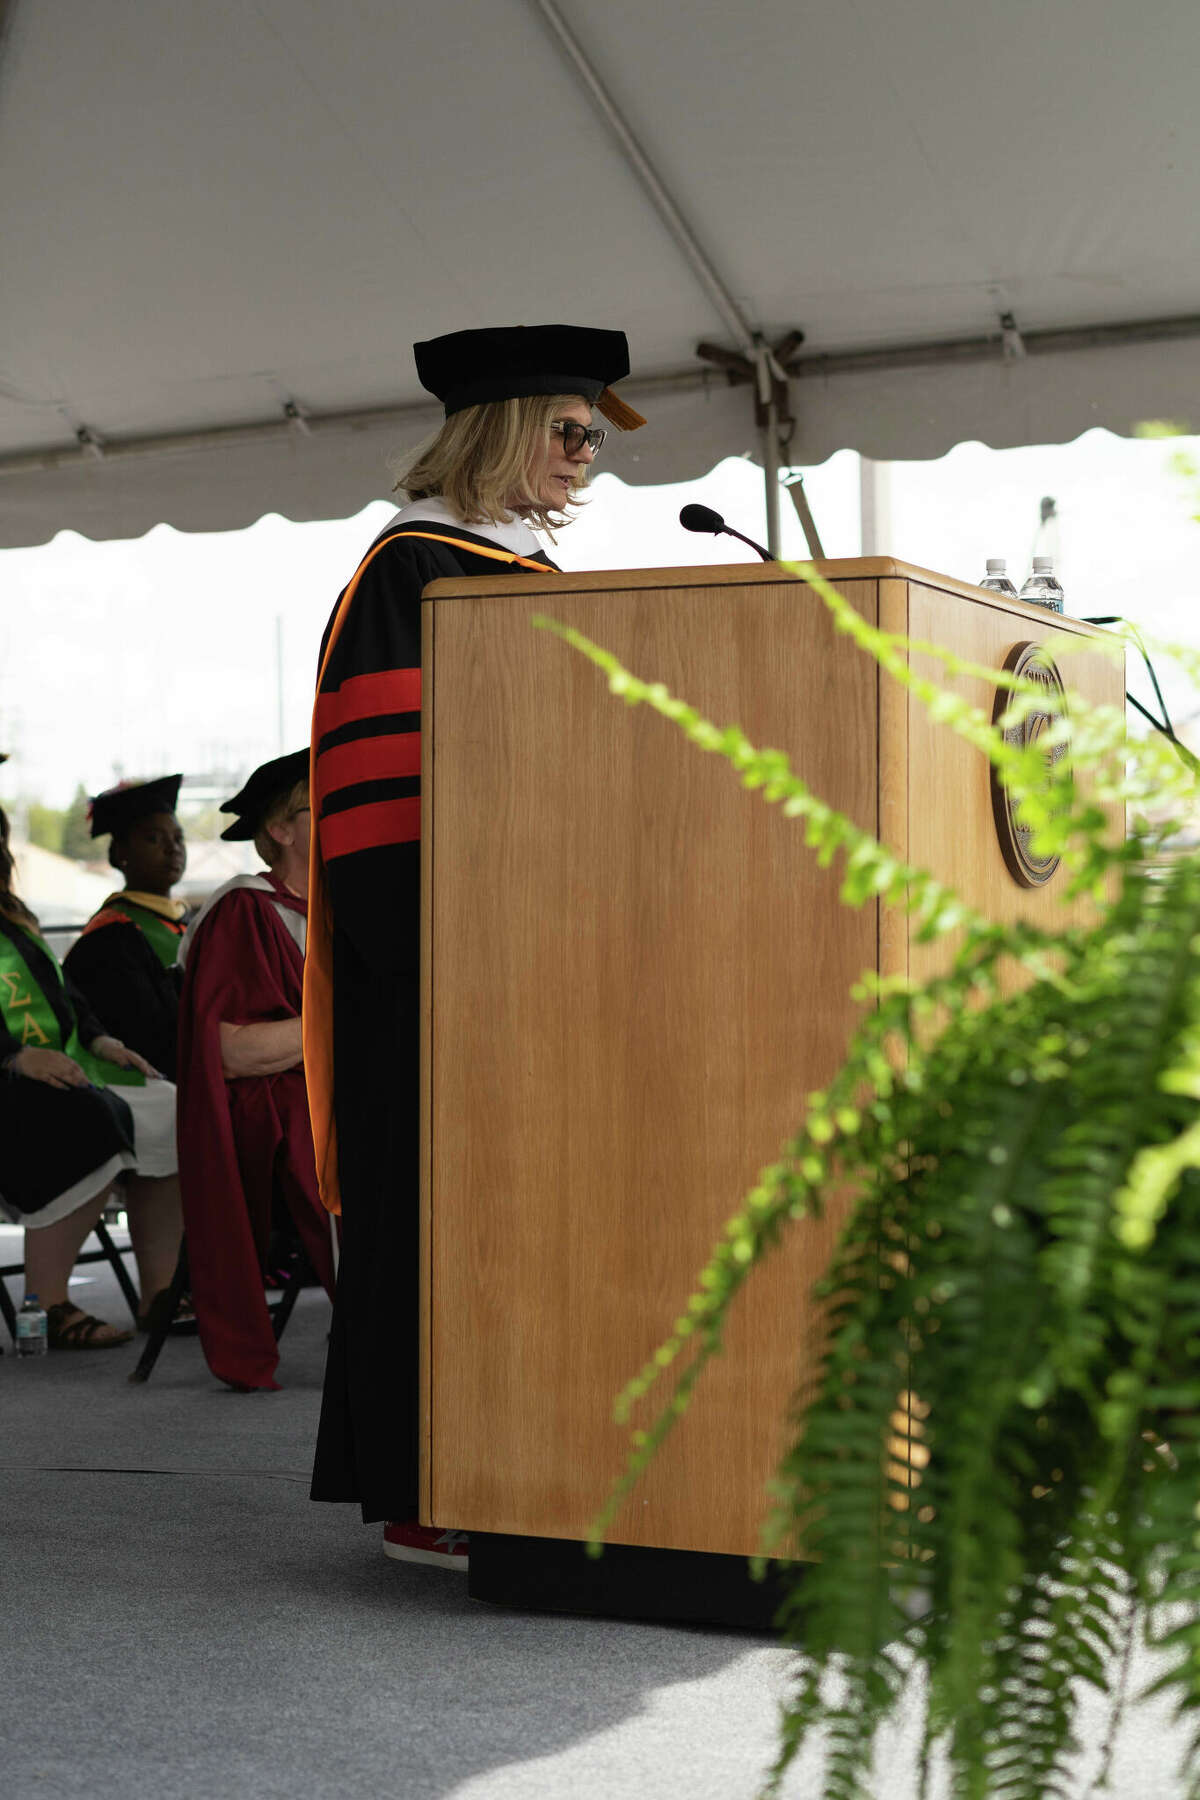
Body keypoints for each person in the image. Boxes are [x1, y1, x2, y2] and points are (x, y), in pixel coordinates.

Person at [305, 323, 644, 1561]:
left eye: (593, 437)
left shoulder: (518, 575)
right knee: (440, 1219)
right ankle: (427, 1485)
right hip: (443, 972)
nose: (585, 457)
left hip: (540, 957)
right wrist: (444, 960)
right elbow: (384, 796)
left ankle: (522, 1460)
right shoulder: (415, 572)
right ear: (497, 429)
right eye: (568, 432)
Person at [175, 750, 335, 1391]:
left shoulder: (344, 911)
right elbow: (230, 1053)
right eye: (319, 805)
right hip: (267, 1105)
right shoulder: (247, 911)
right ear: (281, 829)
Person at [0, 805, 182, 1347]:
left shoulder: (12, 915)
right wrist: (12, 1055)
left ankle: (160, 1294)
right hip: (11, 1077)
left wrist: (102, 1039)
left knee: (170, 1106)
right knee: (86, 1115)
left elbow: (64, 994)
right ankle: (47, 1305)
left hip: (54, 1063)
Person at [63, 775, 188, 1080]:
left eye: (178, 837)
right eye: (154, 838)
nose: (173, 849)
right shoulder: (109, 938)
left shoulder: (189, 922)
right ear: (122, 853)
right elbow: (149, 1035)